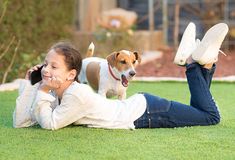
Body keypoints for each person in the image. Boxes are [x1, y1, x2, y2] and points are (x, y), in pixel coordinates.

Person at [13, 22, 229, 130]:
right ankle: (205, 62)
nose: (46, 70)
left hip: (146, 113)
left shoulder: (75, 94)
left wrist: (40, 90)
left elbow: (50, 123)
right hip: (143, 108)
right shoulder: (59, 94)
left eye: (53, 66)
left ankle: (193, 64)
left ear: (71, 74)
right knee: (200, 112)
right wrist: (29, 84)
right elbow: (21, 122)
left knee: (210, 117)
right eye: (45, 64)